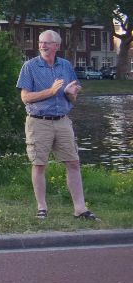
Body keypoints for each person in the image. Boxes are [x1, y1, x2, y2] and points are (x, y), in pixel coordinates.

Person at [16, 30, 99, 222]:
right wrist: (51, 91)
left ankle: (80, 208)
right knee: (39, 165)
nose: (43, 46)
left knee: (73, 163)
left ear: (57, 46)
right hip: (38, 121)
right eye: (40, 42)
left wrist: (71, 92)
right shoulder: (29, 67)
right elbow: (25, 97)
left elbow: (73, 96)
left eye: (47, 43)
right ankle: (42, 207)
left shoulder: (66, 66)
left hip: (62, 121)